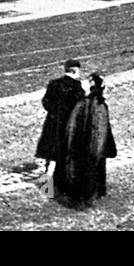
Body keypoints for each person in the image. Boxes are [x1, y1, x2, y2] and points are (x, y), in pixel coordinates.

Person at [57, 73, 118, 209]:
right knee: (93, 171)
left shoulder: (82, 103)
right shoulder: (100, 106)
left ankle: (81, 196)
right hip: (93, 147)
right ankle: (89, 197)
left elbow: (71, 126)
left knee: (80, 171)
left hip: (79, 145)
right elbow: (100, 130)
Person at [35, 59, 87, 196]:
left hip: (52, 124)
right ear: (75, 70)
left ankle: (46, 187)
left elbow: (46, 102)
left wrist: (54, 112)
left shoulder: (54, 84)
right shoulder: (76, 87)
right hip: (68, 126)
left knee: (50, 156)